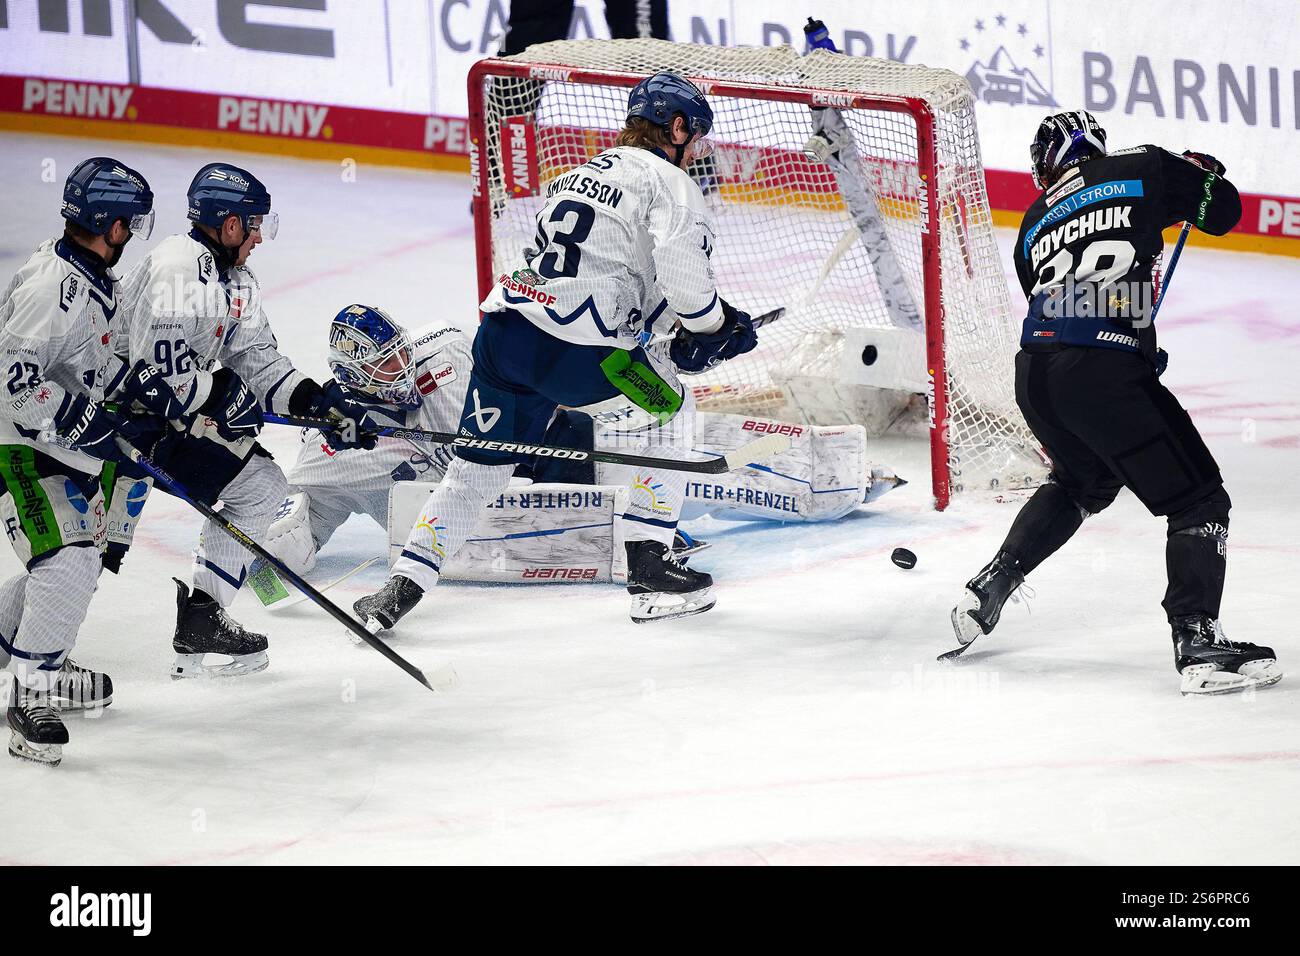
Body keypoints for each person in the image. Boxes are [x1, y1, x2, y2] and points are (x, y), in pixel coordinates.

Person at [352, 72, 759, 629]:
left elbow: (614, 274)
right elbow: (683, 277)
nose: (698, 152)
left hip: (505, 339)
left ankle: (399, 590)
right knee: (672, 409)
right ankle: (650, 570)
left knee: (475, 471)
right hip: (580, 357)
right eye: (698, 136)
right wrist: (714, 327)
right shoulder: (669, 183)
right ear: (679, 127)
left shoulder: (579, 174)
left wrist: (686, 332)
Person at [949, 110, 1279, 696]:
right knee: (1198, 497)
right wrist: (1198, 178)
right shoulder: (1145, 166)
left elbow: (1067, 299)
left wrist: (1135, 350)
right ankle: (1197, 640)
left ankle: (991, 585)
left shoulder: (1032, 221)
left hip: (1035, 375)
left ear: (1045, 166)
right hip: (1099, 373)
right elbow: (1224, 214)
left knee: (1083, 483)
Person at [260, 306, 902, 591]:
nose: (400, 367)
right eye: (382, 366)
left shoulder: (447, 343)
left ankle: (834, 463)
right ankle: (822, 492)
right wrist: (256, 562)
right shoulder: (331, 453)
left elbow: (514, 364)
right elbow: (303, 529)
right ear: (351, 380)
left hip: (559, 434)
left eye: (399, 350)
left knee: (694, 447)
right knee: (687, 490)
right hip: (518, 512)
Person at [118, 163, 376, 679]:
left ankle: (202, 617)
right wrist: (218, 398)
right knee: (74, 555)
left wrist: (320, 406)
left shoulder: (234, 278)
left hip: (161, 422)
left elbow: (256, 358)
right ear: (229, 224)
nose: (259, 237)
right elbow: (156, 379)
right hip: (116, 425)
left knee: (260, 486)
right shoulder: (177, 268)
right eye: (254, 225)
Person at [1, 157, 182, 765]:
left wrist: (136, 385)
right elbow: (13, 380)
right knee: (70, 556)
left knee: (76, 557)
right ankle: (28, 695)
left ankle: (27, 653)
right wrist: (76, 416)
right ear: (109, 223)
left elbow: (86, 364)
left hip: (54, 446)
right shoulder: (52, 285)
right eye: (130, 222)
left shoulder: (92, 276)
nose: (133, 233)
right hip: (17, 449)